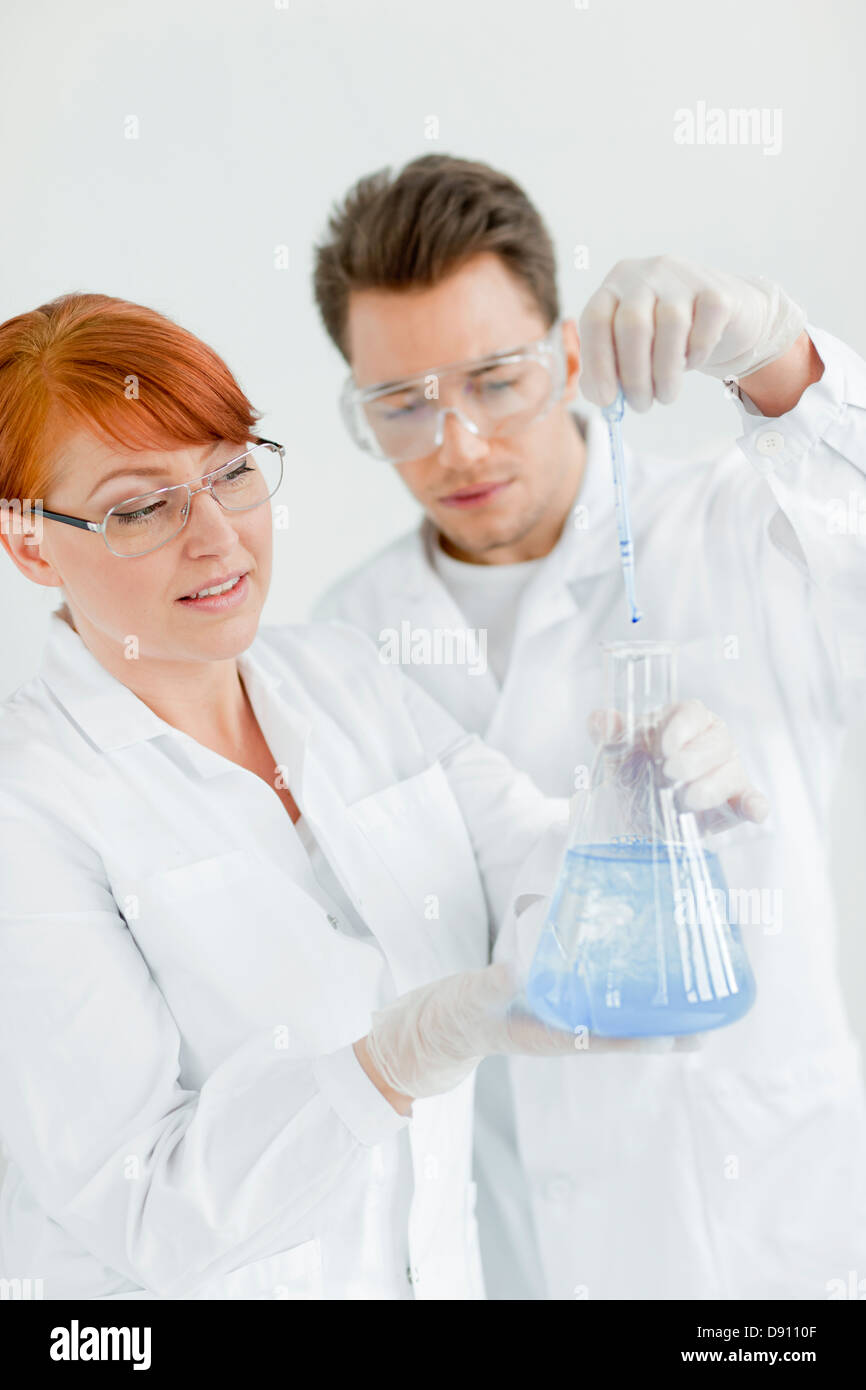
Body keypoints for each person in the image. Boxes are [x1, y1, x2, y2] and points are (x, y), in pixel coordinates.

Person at [0, 292, 758, 1300]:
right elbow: (145, 1206)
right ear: (30, 543)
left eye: (229, 472)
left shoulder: (344, 680)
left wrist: (645, 808)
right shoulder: (32, 801)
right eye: (141, 507)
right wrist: (392, 1061)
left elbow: (528, 860)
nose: (217, 536)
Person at [311, 153, 866, 1300]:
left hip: (763, 1245)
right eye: (402, 404)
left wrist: (769, 350)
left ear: (567, 353)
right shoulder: (351, 634)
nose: (454, 442)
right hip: (516, 1247)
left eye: (494, 380)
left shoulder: (730, 525)